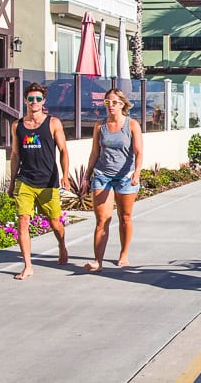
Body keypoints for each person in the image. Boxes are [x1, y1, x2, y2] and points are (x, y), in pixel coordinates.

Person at [8, 83, 70, 280]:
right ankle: (27, 266)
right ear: (25, 100)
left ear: (43, 102)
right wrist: (12, 182)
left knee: (55, 223)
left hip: (48, 181)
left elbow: (63, 151)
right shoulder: (17, 125)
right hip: (25, 180)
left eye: (38, 99)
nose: (34, 102)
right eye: (30, 99)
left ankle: (61, 245)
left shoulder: (53, 123)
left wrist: (65, 175)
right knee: (23, 221)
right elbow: (15, 154)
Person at [81, 88, 143, 272]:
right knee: (102, 219)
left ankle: (124, 253)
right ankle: (97, 261)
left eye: (114, 102)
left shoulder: (132, 125)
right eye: (107, 102)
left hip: (125, 177)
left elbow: (139, 152)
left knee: (125, 217)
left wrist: (137, 172)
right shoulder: (100, 126)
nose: (110, 106)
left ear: (122, 104)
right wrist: (87, 175)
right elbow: (95, 152)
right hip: (102, 175)